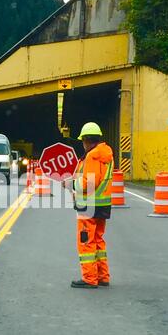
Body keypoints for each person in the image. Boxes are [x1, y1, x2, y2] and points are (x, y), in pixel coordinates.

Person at [71, 122, 114, 289]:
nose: (82, 143)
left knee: (86, 241)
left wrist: (72, 185)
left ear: (87, 140)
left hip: (88, 206)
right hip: (103, 205)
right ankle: (102, 276)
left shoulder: (92, 156)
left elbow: (90, 183)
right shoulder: (106, 154)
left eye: (82, 140)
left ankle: (90, 278)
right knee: (98, 240)